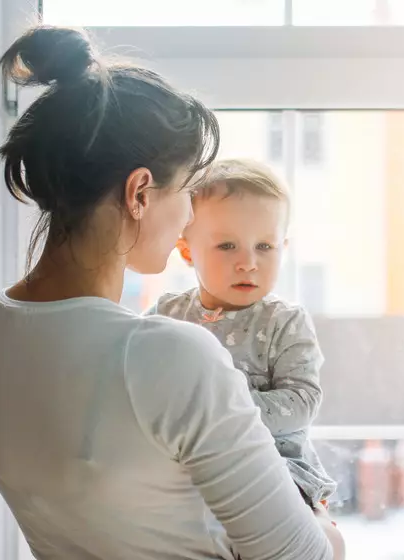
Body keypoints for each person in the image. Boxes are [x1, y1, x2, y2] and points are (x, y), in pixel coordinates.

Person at [0, 25, 344, 560]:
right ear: (140, 192)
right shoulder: (167, 355)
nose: (189, 213)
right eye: (188, 190)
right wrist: (326, 527)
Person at [145, 158, 338, 512]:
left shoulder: (285, 321)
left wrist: (225, 410)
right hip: (185, 468)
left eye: (264, 247)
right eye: (227, 246)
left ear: (283, 248)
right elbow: (133, 376)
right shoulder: (166, 315)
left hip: (272, 467)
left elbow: (303, 401)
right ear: (187, 250)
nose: (248, 262)